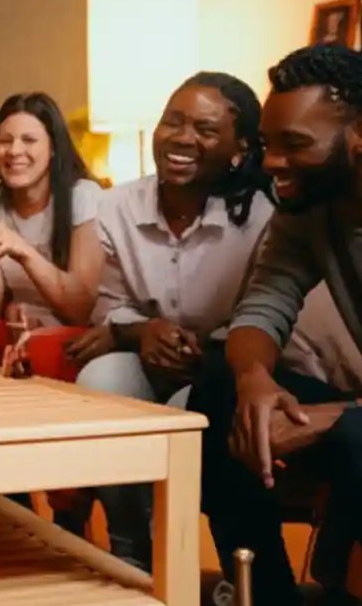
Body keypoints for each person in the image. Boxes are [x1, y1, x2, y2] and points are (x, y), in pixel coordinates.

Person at [187, 38, 362, 606]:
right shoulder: (305, 210)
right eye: (267, 145)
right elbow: (260, 309)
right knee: (216, 389)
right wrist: (256, 383)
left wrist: (331, 415)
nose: (271, 163)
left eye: (293, 145)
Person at [54, 72, 274, 570]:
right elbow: (104, 306)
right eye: (172, 121)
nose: (182, 137)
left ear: (239, 149)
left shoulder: (262, 215)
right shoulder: (116, 206)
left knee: (187, 407)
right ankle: (130, 551)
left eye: (205, 129)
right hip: (139, 355)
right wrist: (139, 331)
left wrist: (203, 349)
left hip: (223, 367)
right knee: (101, 381)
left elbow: (269, 311)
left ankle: (178, 562)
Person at [0, 92, 104, 374]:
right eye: (5, 141)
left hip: (77, 329)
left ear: (53, 148)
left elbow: (81, 308)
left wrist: (21, 249)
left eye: (29, 140)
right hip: (21, 328)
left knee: (41, 350)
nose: (14, 151)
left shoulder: (82, 196)